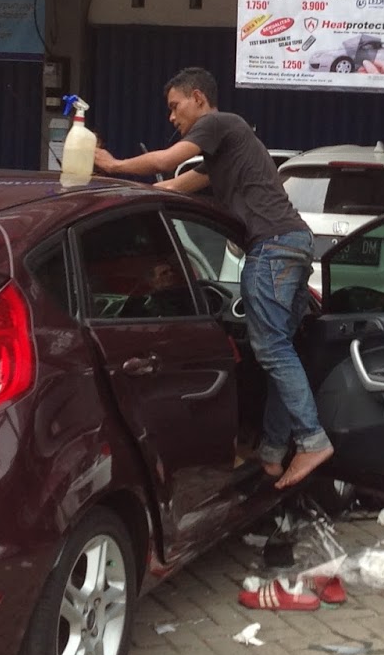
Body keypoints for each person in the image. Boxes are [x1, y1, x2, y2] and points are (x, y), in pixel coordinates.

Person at [92, 68, 330, 490]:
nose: (171, 118)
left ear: (198, 98)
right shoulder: (226, 153)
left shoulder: (220, 123)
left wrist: (114, 163)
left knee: (271, 349)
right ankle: (273, 455)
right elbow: (175, 185)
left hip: (272, 246)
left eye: (174, 107)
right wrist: (114, 184)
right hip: (291, 243)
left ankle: (312, 441)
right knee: (280, 352)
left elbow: (166, 159)